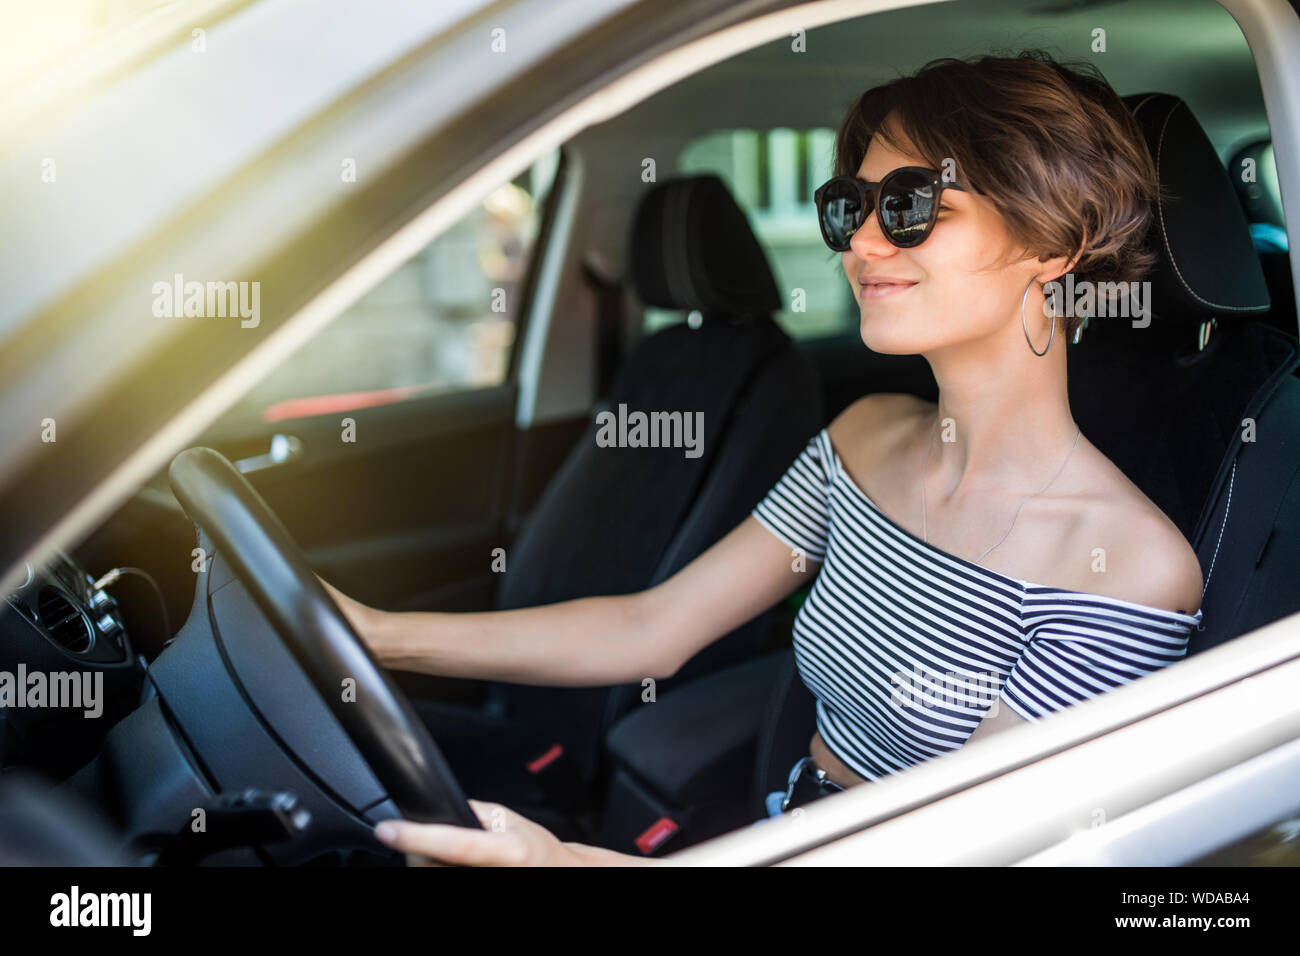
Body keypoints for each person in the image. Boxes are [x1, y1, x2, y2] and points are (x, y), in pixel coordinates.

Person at [321, 51, 1205, 866]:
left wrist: (568, 862)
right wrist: (376, 636)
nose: (860, 242)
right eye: (848, 207)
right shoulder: (865, 437)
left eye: (910, 205)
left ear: (1056, 245)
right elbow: (651, 630)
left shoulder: (1124, 571)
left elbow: (963, 854)